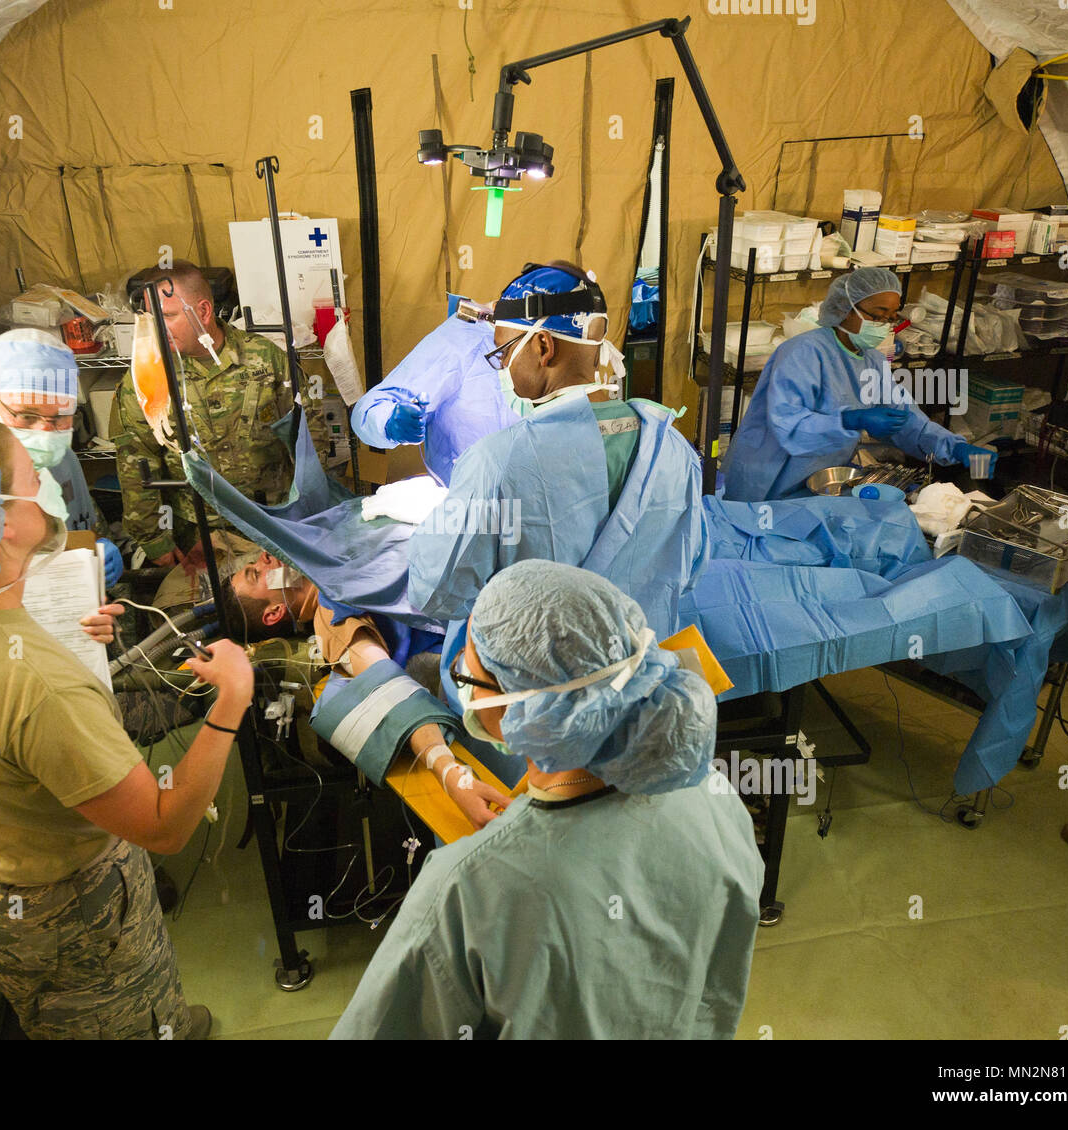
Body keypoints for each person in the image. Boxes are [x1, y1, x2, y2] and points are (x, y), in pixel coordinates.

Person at [0, 412, 256, 1039]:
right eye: (28, 472)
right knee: (120, 1022)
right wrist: (232, 697)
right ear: (1, 518)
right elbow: (165, 824)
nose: (46, 478)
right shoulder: (36, 685)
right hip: (72, 915)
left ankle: (167, 1021)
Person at [331, 560, 763, 1039]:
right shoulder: (717, 799)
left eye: (467, 678)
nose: (462, 688)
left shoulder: (467, 890)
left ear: (528, 709)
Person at [407, 261, 709, 685]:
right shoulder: (675, 450)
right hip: (639, 683)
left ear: (543, 347)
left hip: (532, 701)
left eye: (503, 353)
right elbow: (690, 569)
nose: (501, 369)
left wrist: (434, 533)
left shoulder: (498, 463)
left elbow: (436, 589)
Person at [223, 549, 512, 830]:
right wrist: (450, 773)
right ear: (274, 613)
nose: (264, 558)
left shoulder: (325, 562)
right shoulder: (331, 615)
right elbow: (384, 683)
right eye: (255, 574)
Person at [112, 260, 328, 573]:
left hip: (271, 522)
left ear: (203, 311)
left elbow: (310, 438)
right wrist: (153, 538)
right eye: (151, 317)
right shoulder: (147, 378)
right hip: (197, 535)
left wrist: (310, 515)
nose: (158, 328)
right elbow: (135, 460)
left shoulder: (265, 360)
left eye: (169, 316)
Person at [720, 267, 999, 502]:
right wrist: (852, 419)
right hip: (768, 479)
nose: (884, 325)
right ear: (846, 310)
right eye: (877, 316)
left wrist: (955, 448)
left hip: (820, 480)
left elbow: (907, 420)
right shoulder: (802, 353)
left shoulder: (873, 362)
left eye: (891, 318)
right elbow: (788, 426)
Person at [0, 327, 123, 589]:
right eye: (27, 417)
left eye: (59, 418)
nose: (44, 434)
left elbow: (87, 524)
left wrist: (96, 548)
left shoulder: (63, 459)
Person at [349, 308, 518, 485]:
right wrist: (389, 421)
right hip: (465, 502)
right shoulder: (464, 339)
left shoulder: (540, 345)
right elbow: (368, 410)